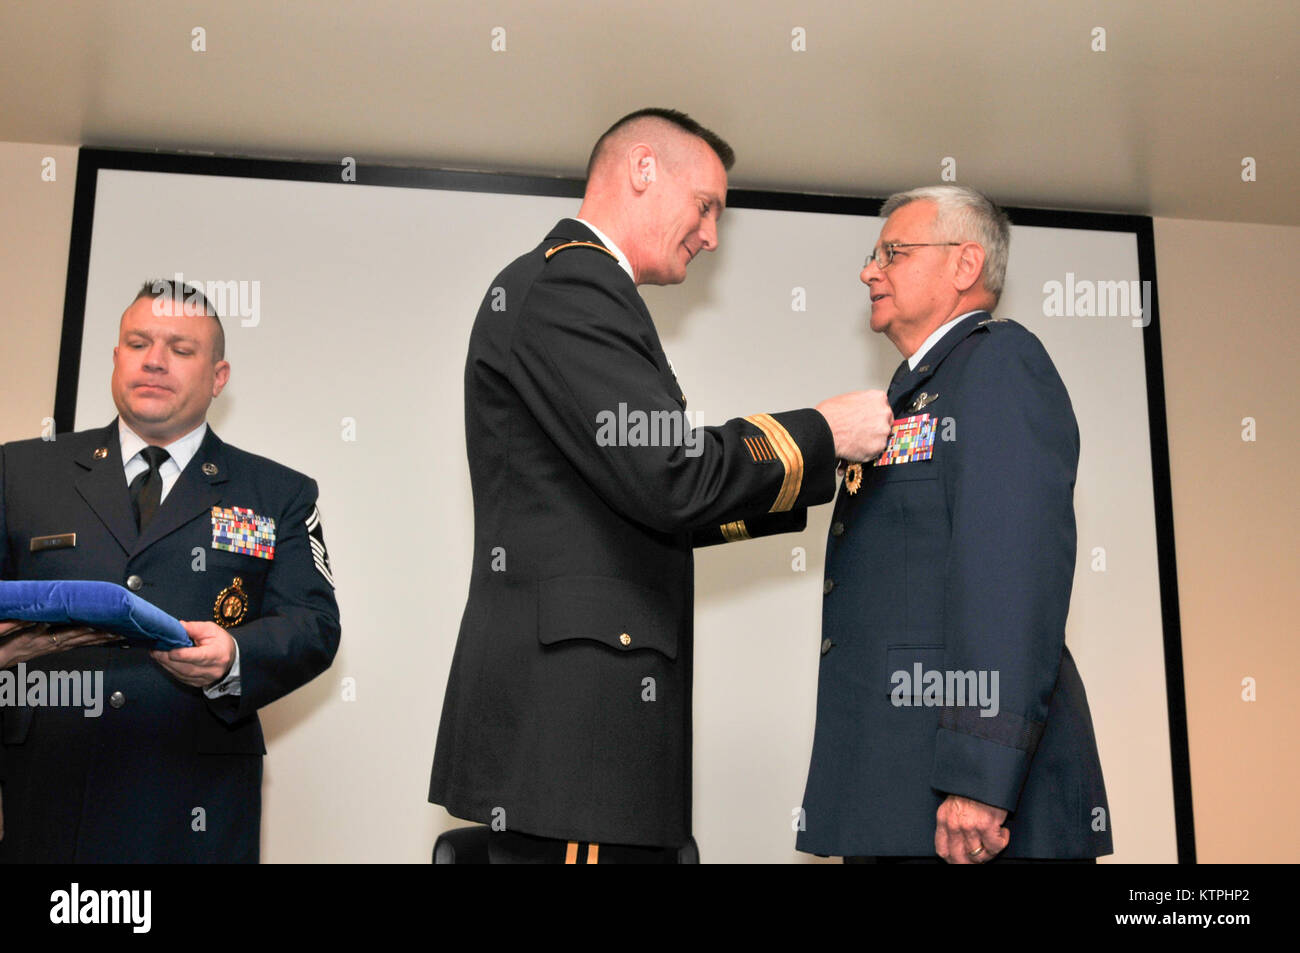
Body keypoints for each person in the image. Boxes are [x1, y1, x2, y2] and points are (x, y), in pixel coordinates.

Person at [428, 108, 893, 863]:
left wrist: (813, 471)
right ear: (642, 168)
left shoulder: (575, 289)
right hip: (578, 736)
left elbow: (655, 503)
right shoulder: (574, 285)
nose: (711, 235)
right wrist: (822, 432)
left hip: (580, 738)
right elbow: (670, 477)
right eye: (707, 205)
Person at [797, 185, 1113, 864]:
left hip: (967, 806)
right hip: (904, 795)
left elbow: (1010, 577)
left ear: (965, 265)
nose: (868, 270)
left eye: (893, 252)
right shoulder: (917, 391)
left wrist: (979, 773)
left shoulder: (999, 365)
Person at [0, 281, 340, 862]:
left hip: (193, 807)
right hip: (47, 800)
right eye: (138, 343)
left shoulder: (278, 492)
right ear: (115, 359)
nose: (155, 360)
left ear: (218, 376)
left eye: (181, 349)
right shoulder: (21, 470)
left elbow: (313, 624)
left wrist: (233, 657)